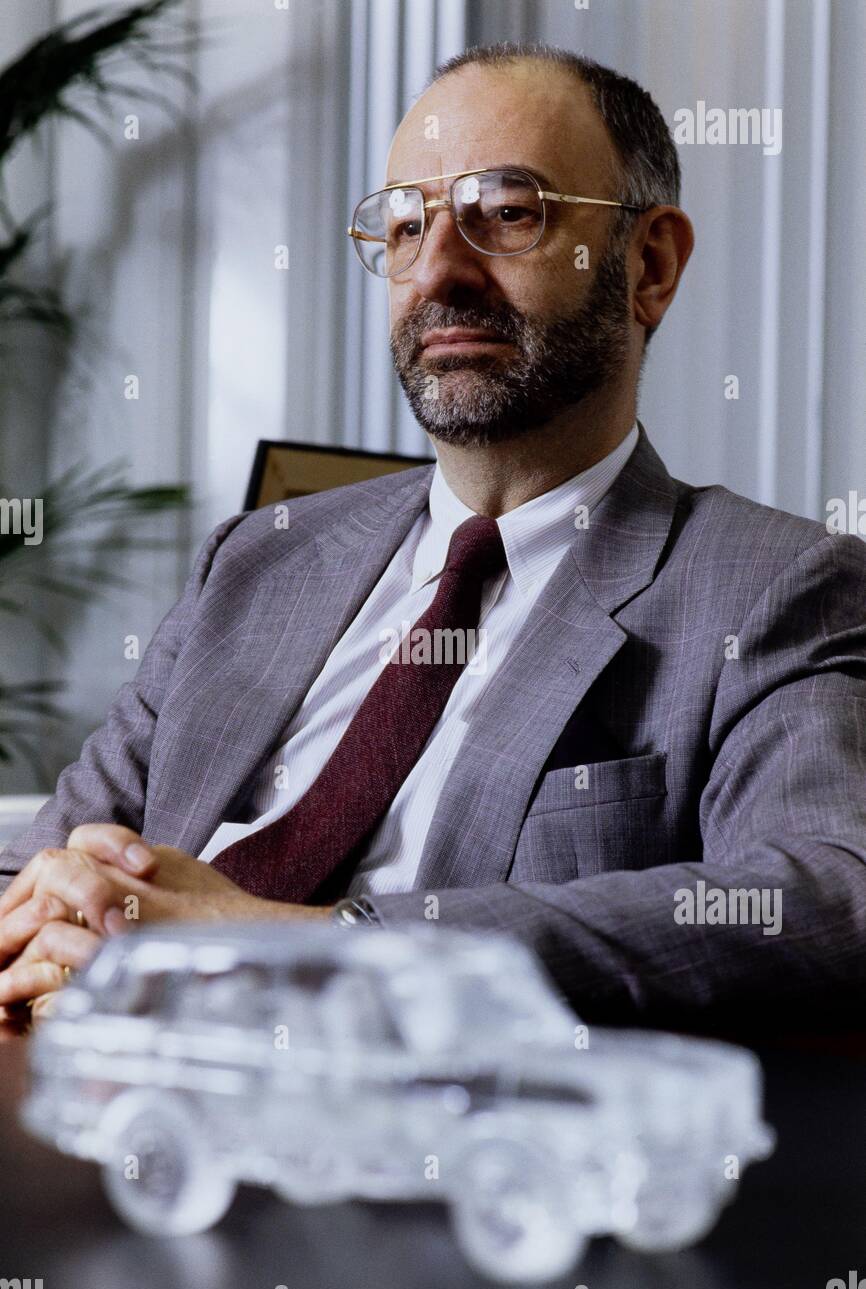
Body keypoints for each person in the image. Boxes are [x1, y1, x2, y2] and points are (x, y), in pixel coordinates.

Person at [2, 42, 865, 1036]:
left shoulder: (773, 588)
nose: (439, 269)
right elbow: (49, 865)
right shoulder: (258, 559)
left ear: (649, 265)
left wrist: (315, 951)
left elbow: (824, 899)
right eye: (405, 224)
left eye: (506, 213)